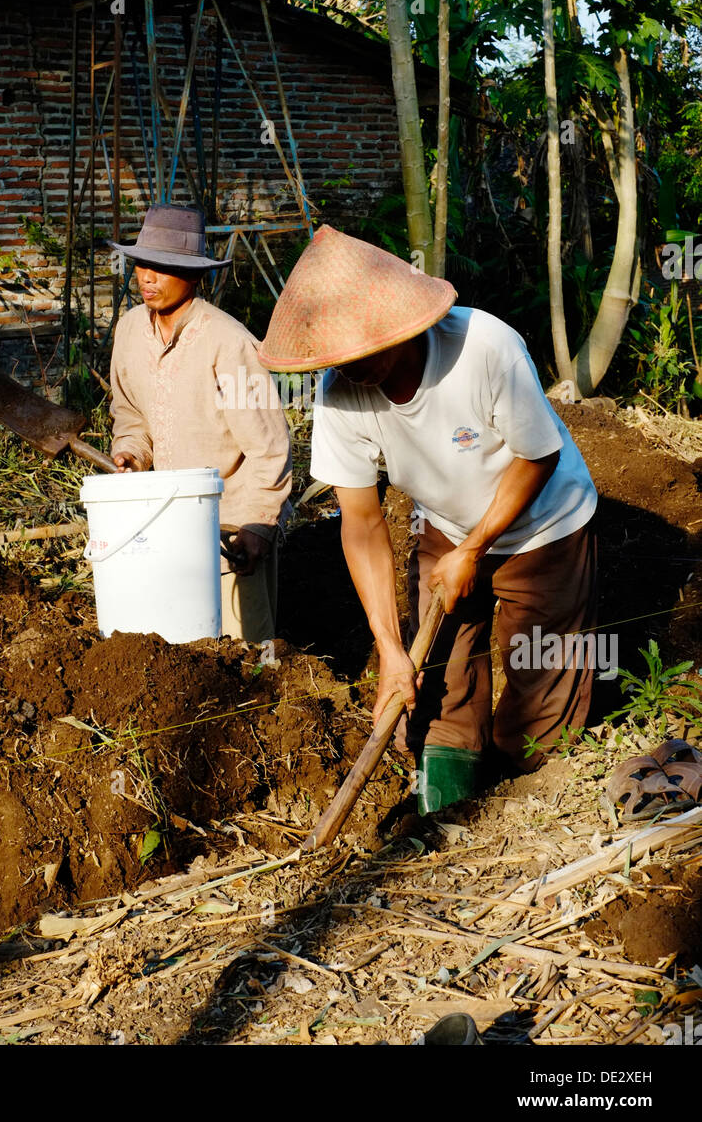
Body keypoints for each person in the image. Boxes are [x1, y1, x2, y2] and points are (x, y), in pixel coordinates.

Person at [258, 225, 598, 812]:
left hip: (547, 525)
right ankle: (444, 808)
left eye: (363, 351)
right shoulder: (340, 393)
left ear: (403, 326)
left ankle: (525, 798)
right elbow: (361, 524)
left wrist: (479, 546)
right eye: (339, 357)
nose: (351, 367)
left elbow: (537, 455)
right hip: (444, 523)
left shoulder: (484, 347)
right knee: (439, 679)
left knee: (540, 671)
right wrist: (389, 646)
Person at [109, 203, 292, 644]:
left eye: (163, 268)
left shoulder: (228, 343)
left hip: (232, 524)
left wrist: (258, 523)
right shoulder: (130, 331)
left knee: (244, 648)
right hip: (169, 520)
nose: (147, 278)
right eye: (142, 265)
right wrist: (132, 454)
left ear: (193, 275)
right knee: (183, 647)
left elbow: (270, 445)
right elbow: (131, 414)